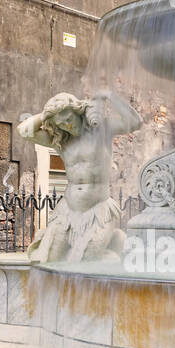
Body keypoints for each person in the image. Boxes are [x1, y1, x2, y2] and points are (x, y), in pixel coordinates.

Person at [18, 90, 141, 262]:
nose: (67, 126)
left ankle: (114, 245)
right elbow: (24, 131)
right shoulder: (61, 140)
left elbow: (135, 122)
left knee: (87, 259)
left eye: (69, 119)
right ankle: (111, 244)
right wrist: (48, 114)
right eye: (61, 124)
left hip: (98, 210)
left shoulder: (101, 129)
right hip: (67, 212)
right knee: (50, 259)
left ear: (78, 111)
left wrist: (110, 95)